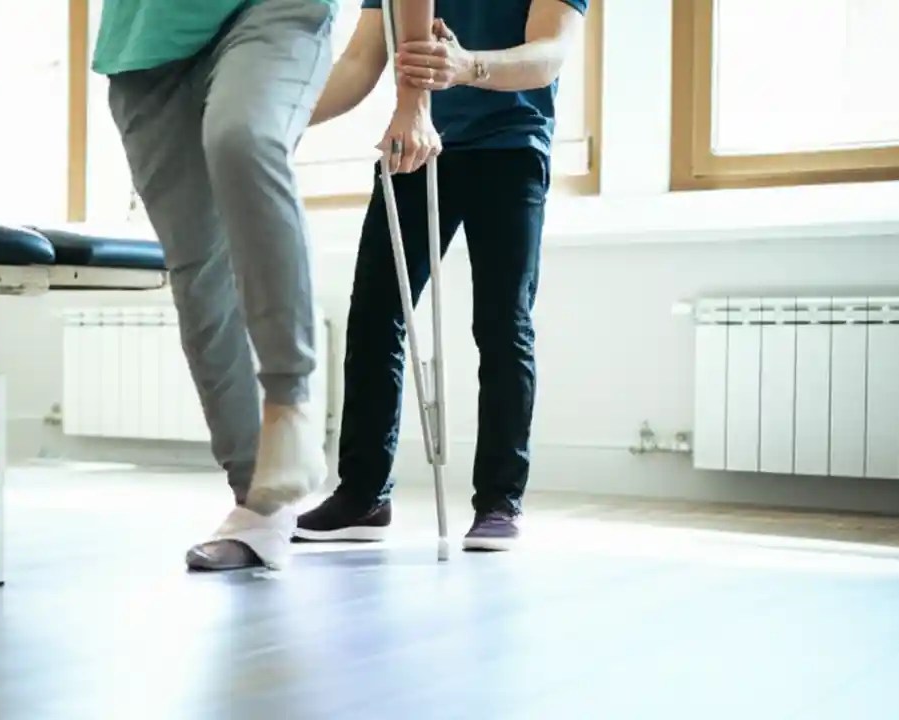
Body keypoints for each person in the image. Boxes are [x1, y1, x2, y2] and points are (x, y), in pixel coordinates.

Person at [92, 0, 433, 572]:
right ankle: (258, 507)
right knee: (199, 277)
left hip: (274, 11)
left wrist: (413, 99)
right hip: (143, 45)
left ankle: (289, 402)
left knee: (244, 137)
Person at [294, 0, 589, 551]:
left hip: (511, 146)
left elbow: (549, 54)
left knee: (503, 325)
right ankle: (363, 495)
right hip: (417, 144)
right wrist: (278, 110)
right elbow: (362, 60)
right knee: (376, 315)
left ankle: (500, 502)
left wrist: (465, 65)